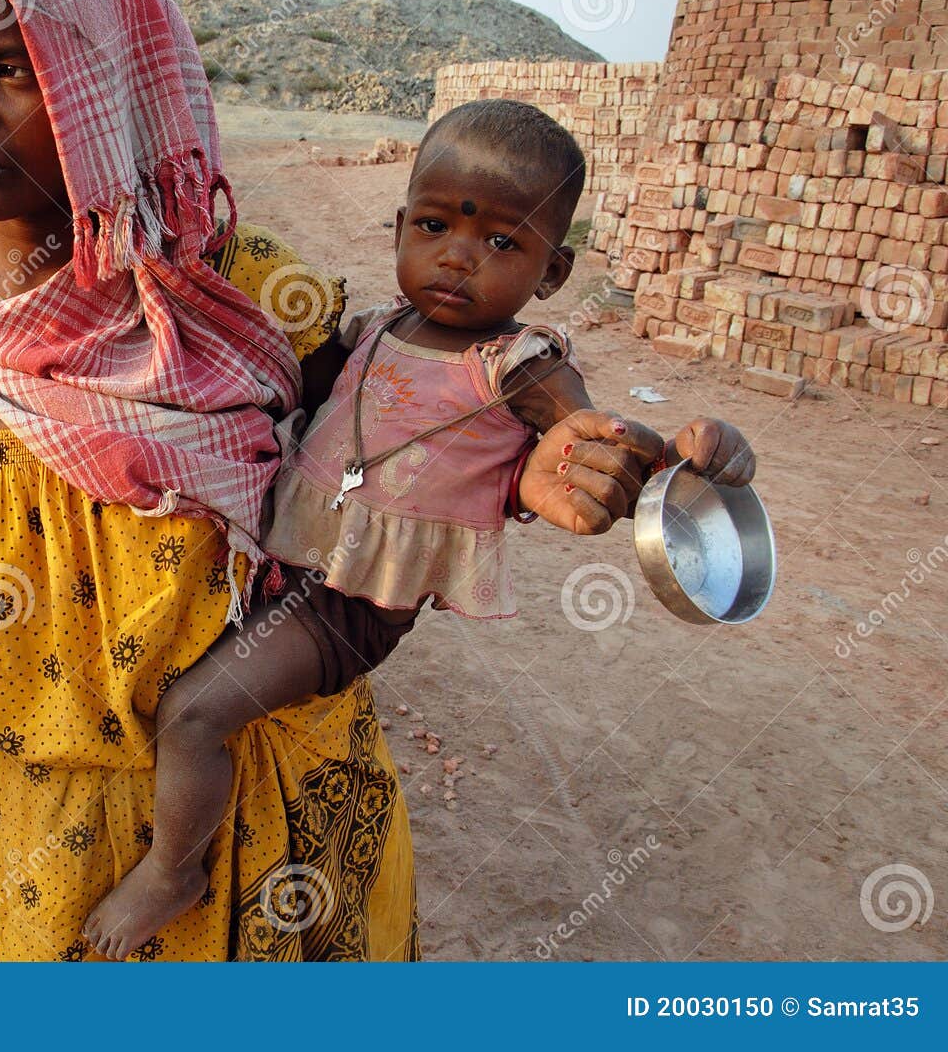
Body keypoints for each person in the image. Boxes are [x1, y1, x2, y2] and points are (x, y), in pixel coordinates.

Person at [0, 0, 656, 962]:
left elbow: (399, 452)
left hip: (278, 810)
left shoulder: (243, 291)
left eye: (10, 71)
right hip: (45, 843)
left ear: (105, 83)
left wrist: (556, 462)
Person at [82, 99, 760, 957]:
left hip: (348, 602)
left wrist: (686, 455)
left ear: (554, 272)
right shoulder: (372, 328)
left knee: (191, 714)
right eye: (435, 224)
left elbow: (598, 444)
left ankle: (174, 869)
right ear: (401, 223)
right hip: (287, 560)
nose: (458, 256)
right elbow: (278, 392)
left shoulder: (519, 367)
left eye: (504, 243)